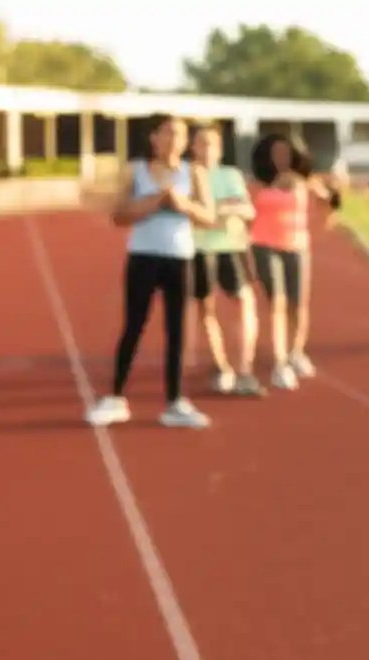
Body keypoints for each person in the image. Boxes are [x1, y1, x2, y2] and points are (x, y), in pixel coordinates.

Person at [87, 113, 215, 429]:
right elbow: (119, 215)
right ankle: (115, 397)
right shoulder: (137, 171)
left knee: (177, 331)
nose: (174, 140)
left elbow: (208, 216)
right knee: (134, 326)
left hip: (179, 257)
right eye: (168, 133)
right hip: (143, 256)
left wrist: (182, 204)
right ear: (154, 138)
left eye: (180, 135)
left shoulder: (193, 173)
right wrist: (156, 201)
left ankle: (175, 401)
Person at [248, 132, 335, 390]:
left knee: (298, 304)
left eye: (285, 153)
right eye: (275, 153)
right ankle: (280, 362)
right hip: (264, 245)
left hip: (296, 246)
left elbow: (328, 201)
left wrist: (329, 210)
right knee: (277, 303)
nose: (281, 158)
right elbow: (247, 211)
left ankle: (296, 351)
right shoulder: (258, 183)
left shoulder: (304, 181)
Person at [187, 122, 265, 397]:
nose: (207, 149)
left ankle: (245, 369)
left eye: (212, 144)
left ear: (219, 149)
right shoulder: (188, 176)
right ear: (193, 147)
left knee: (245, 301)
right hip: (199, 249)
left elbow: (247, 209)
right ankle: (221, 366)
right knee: (206, 310)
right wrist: (223, 211)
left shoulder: (231, 175)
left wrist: (212, 211)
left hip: (230, 248)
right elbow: (190, 214)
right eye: (202, 143)